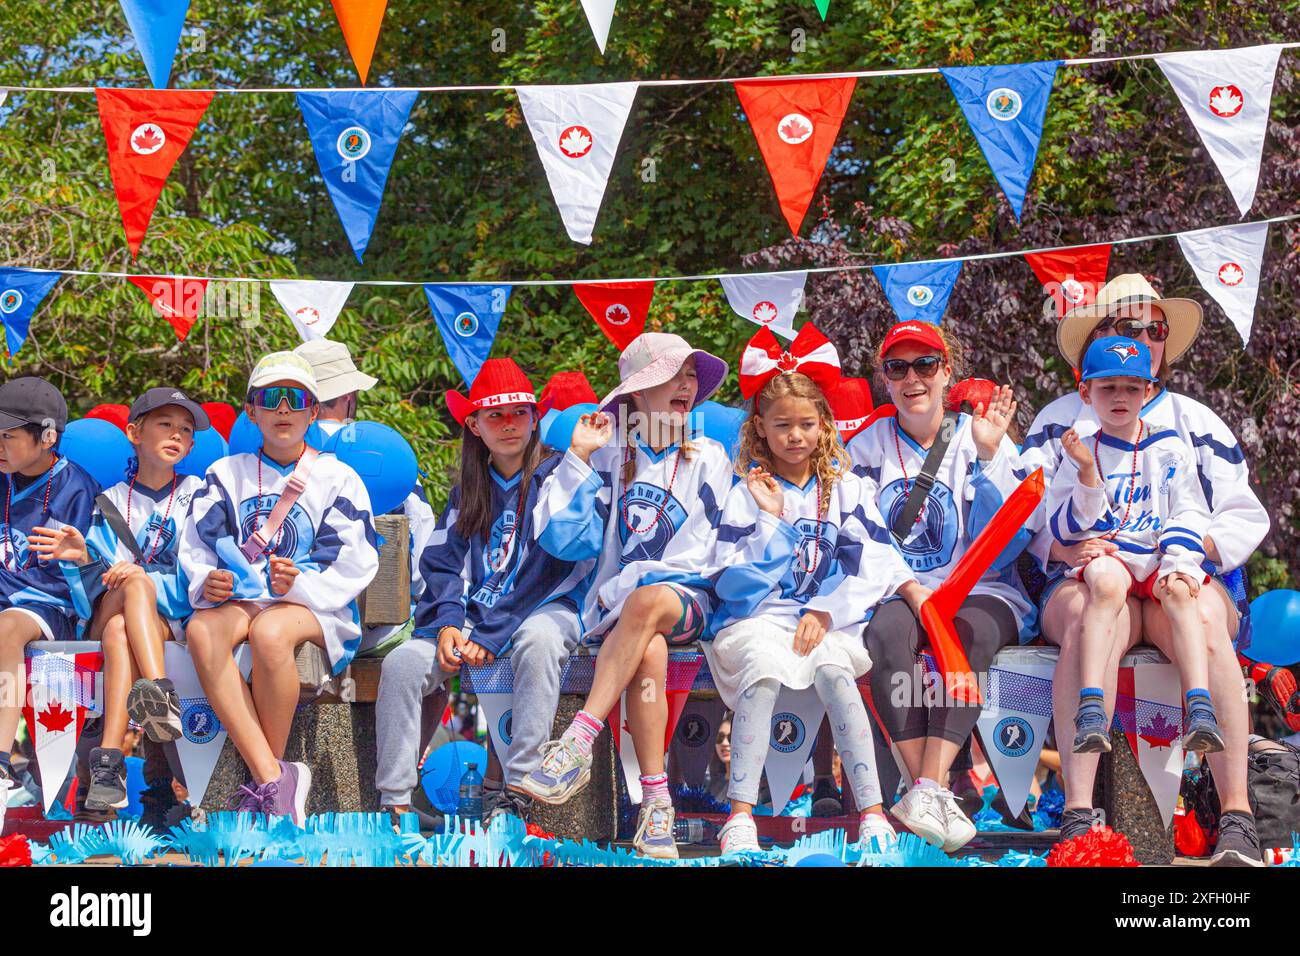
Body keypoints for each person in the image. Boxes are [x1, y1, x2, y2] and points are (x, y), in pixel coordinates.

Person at [632, 325, 923, 854]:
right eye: (782, 424)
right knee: (762, 672)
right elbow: (732, 581)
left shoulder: (850, 490)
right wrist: (772, 522)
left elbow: (874, 564)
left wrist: (826, 612)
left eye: (807, 424)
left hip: (826, 622)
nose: (795, 436)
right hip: (757, 621)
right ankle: (741, 813)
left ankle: (874, 812)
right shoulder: (747, 493)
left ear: (824, 427)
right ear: (760, 429)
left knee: (837, 672)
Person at [1021, 274, 1270, 866]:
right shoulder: (1061, 421)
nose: (1144, 336)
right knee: (1086, 611)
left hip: (1172, 580)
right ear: (1095, 345)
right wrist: (1062, 550)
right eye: (1127, 326)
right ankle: (1078, 816)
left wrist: (1180, 555)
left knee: (1206, 616)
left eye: (1154, 328)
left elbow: (1239, 514)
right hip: (1087, 578)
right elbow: (1026, 512)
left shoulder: (1195, 422)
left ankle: (1237, 815)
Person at [518, 332, 731, 860]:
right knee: (649, 649)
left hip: (691, 600)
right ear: (637, 393)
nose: (686, 385)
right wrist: (578, 463)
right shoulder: (610, 451)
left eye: (689, 376)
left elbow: (726, 546)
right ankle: (656, 806)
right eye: (671, 375)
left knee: (647, 602)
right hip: (624, 616)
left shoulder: (709, 454)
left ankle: (577, 742)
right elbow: (567, 540)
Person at [374, 359, 587, 828]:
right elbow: (441, 563)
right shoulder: (467, 488)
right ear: (474, 424)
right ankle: (395, 804)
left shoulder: (556, 475)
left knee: (539, 642)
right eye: (495, 415)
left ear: (536, 418)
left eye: (519, 413)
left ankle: (519, 792)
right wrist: (449, 621)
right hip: (475, 620)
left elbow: (552, 566)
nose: (509, 424)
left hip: (546, 607)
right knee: (402, 663)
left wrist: (492, 632)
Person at [850, 321, 1032, 852]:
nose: (913, 378)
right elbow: (861, 532)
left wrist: (991, 457)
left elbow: (1011, 540)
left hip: (981, 586)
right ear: (885, 379)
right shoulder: (867, 446)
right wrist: (910, 590)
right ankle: (928, 792)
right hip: (899, 587)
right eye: (898, 367)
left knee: (969, 630)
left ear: (946, 372)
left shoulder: (980, 436)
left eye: (925, 365)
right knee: (884, 635)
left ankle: (927, 785)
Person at [178, 352, 380, 824]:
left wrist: (301, 582)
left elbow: (355, 558)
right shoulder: (225, 474)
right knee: (202, 631)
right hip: (244, 599)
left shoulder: (337, 476)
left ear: (313, 410)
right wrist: (209, 580)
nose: (284, 409)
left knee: (270, 633)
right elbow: (196, 545)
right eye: (272, 398)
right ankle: (272, 776)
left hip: (313, 607)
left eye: (297, 399)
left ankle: (266, 785)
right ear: (252, 411)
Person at [1049, 336, 1226, 760]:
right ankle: (1092, 705)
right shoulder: (1079, 448)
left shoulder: (1169, 446)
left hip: (1159, 557)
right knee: (1105, 581)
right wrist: (1088, 473)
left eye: (1132, 387)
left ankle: (1199, 706)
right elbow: (1067, 526)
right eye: (1107, 387)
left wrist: (1180, 560)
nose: (1120, 397)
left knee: (1182, 589)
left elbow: (1188, 511)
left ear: (1148, 390)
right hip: (1114, 557)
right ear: (1085, 392)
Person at [43, 388, 210, 811]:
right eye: (165, 424)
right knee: (130, 590)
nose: (176, 434)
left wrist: (145, 579)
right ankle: (158, 694)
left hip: (160, 624)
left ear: (191, 445)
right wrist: (81, 559)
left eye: (185, 430)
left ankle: (109, 761)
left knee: (126, 623)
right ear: (134, 433)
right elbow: (87, 599)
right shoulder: (107, 502)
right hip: (105, 615)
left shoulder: (199, 496)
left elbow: (199, 577)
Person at [293, 339, 437, 656]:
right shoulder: (390, 459)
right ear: (348, 396)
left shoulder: (276, 457)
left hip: (297, 624)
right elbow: (423, 565)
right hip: (380, 635)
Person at [0, 377, 98, 830]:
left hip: (49, 610)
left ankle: (2, 762)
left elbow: (103, 577)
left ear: (47, 437)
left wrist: (80, 558)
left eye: (8, 435)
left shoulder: (76, 487)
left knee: (8, 628)